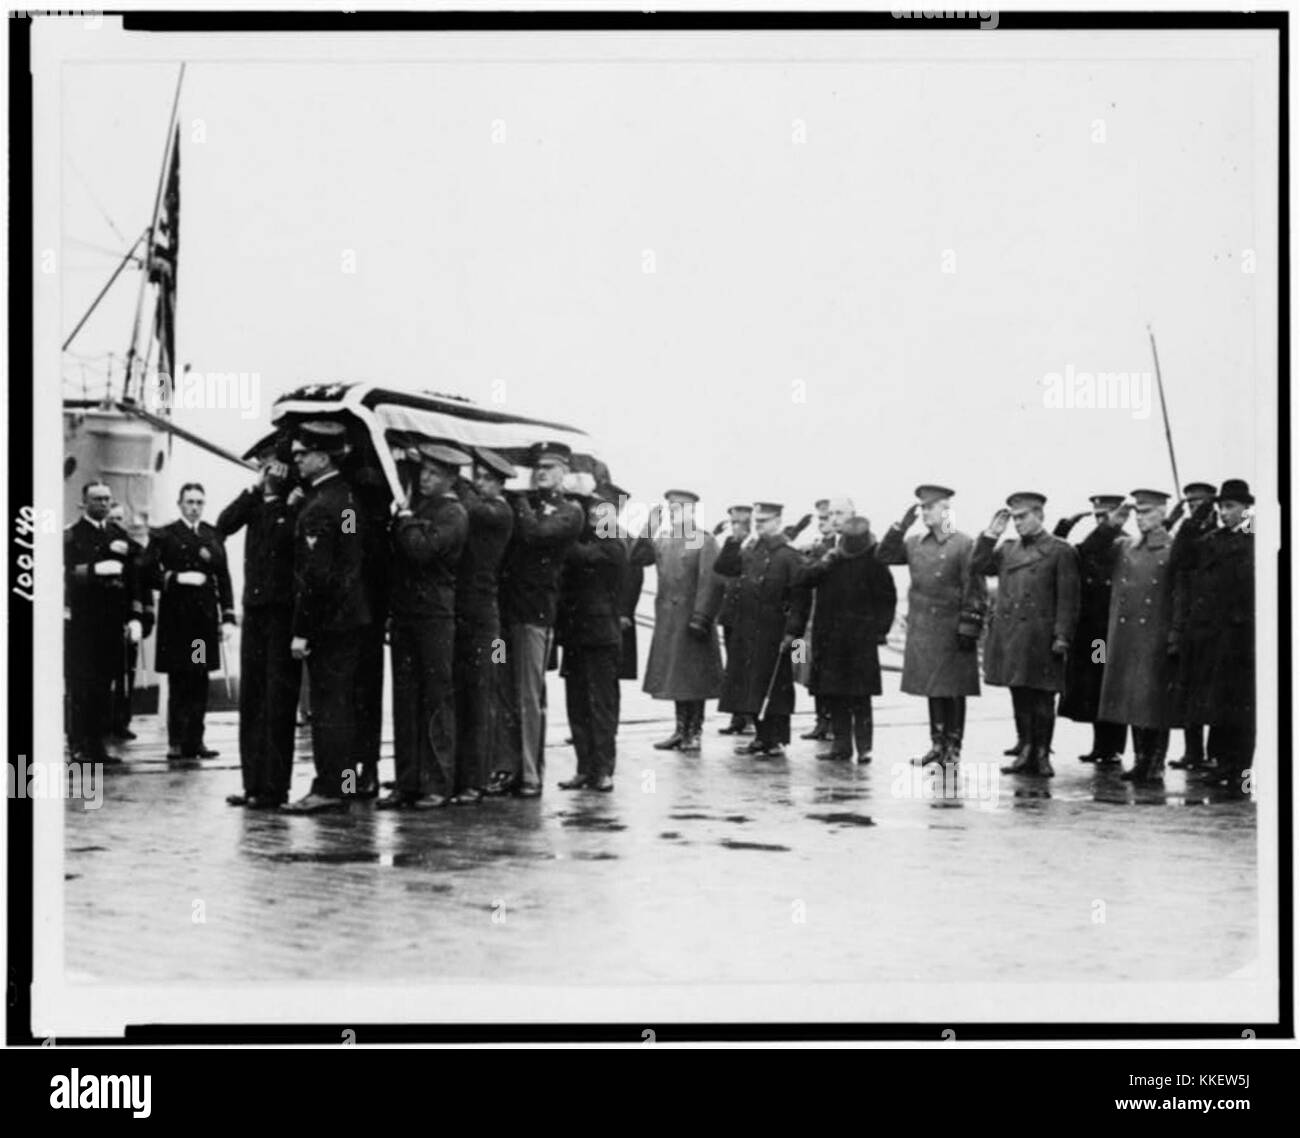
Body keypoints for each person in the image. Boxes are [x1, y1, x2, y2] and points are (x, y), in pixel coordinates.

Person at [282, 421, 372, 814]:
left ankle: (329, 787)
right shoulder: (348, 500)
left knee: (329, 708)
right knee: (345, 707)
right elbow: (352, 560)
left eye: (303, 453)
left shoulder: (319, 508)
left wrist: (302, 631)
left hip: (328, 624)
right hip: (352, 619)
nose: (296, 460)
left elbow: (315, 577)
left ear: (323, 456)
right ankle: (347, 783)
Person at [486, 441, 584, 798]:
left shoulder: (570, 512)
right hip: (504, 616)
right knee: (502, 689)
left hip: (534, 616)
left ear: (565, 474)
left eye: (550, 467)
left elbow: (536, 534)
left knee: (528, 694)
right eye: (538, 467)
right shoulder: (523, 506)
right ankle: (504, 768)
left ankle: (529, 773)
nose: (541, 472)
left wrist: (521, 501)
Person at [377, 442, 470, 810]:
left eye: (434, 473)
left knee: (435, 699)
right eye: (424, 472)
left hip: (435, 615)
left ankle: (437, 781)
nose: (426, 478)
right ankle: (408, 780)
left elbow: (419, 548)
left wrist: (404, 520)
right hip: (406, 613)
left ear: (450, 476)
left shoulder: (454, 513)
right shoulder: (422, 508)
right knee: (405, 699)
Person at [972, 491, 1080, 778]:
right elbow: (978, 566)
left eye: (1023, 517)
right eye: (1014, 518)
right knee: (1019, 692)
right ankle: (1026, 750)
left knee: (1043, 697)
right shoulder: (1008, 549)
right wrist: (990, 535)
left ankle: (1042, 754)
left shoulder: (1061, 550)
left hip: (1042, 635)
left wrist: (1062, 636)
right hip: (1012, 634)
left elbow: (1068, 599)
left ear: (1040, 516)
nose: (1017, 523)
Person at [876, 485, 985, 767]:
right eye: (922, 508)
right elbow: (884, 556)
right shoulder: (914, 543)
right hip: (924, 627)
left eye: (930, 507)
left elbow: (974, 586)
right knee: (932, 687)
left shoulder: (963, 543)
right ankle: (937, 744)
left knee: (954, 688)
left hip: (952, 627)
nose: (924, 512)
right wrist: (900, 526)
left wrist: (969, 625)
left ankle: (954, 747)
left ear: (946, 510)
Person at [216, 446, 301, 808]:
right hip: (256, 610)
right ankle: (253, 783)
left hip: (283, 613)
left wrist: (278, 500)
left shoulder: (294, 506)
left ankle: (273, 787)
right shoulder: (256, 502)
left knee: (277, 700)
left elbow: (281, 542)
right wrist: (255, 490)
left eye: (272, 465)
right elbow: (222, 524)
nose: (268, 470)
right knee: (252, 700)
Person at [1079, 492, 1178, 784]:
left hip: (1156, 632)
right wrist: (1110, 525)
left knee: (1154, 702)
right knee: (1132, 699)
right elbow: (1089, 553)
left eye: (1147, 512)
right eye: (1137, 512)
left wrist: (1175, 635)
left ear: (1162, 513)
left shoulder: (1173, 549)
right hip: (1126, 635)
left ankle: (1155, 761)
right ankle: (1140, 760)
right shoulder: (1125, 546)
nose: (1140, 517)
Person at [1171, 479, 1255, 792]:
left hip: (1243, 637)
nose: (1224, 513)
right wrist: (1193, 519)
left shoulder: (1258, 538)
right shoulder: (1211, 539)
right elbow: (1180, 559)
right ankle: (1221, 764)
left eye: (1230, 507)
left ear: (1247, 508)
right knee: (1218, 704)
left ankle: (1242, 771)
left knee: (1242, 708)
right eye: (1220, 507)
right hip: (1212, 636)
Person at [144, 483, 236, 760]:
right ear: (180, 503)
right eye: (190, 502)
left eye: (199, 502)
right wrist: (173, 578)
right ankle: (176, 741)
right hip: (177, 622)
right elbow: (146, 570)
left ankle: (195, 741)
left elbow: (223, 577)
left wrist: (228, 615)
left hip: (202, 624)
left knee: (198, 679)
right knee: (179, 679)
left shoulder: (211, 534)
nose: (194, 507)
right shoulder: (165, 535)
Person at [713, 502, 810, 759]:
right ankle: (761, 736)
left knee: (775, 687)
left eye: (765, 521)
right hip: (748, 629)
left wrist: (793, 634)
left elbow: (800, 598)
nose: (760, 526)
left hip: (775, 633)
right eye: (758, 522)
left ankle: (776, 739)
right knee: (750, 686)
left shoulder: (789, 556)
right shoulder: (750, 551)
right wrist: (733, 542)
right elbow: (723, 568)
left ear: (778, 521)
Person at [632, 489, 724, 755]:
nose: (674, 513)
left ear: (691, 511)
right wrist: (649, 527)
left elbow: (711, 580)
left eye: (679, 509)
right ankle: (680, 729)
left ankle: (694, 732)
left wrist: (702, 616)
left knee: (693, 678)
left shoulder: (700, 540)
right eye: (671, 509)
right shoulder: (664, 539)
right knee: (676, 678)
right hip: (669, 621)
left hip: (692, 619)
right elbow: (637, 558)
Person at [800, 515, 896, 763]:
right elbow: (804, 580)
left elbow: (887, 599)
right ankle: (842, 747)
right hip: (832, 638)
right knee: (836, 694)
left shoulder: (875, 561)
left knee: (859, 696)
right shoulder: (832, 558)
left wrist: (880, 631)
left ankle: (864, 747)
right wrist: (822, 564)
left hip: (860, 640)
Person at [449, 447, 515, 804]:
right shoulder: (481, 508)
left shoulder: (499, 512)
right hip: (468, 613)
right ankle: (464, 776)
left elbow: (472, 507)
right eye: (479, 477)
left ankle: (476, 778)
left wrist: (455, 476)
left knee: (480, 697)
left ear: (500, 484)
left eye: (487, 479)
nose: (480, 484)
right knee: (464, 696)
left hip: (485, 618)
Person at [65, 481, 146, 763]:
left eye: (107, 499)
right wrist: (93, 571)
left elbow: (135, 577)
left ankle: (97, 746)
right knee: (82, 685)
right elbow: (63, 575)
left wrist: (136, 616)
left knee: (105, 685)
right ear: (83, 502)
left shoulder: (119, 534)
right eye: (97, 499)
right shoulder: (72, 536)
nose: (102, 504)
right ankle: (79, 745)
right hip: (84, 623)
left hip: (112, 623)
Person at [556, 494, 629, 791]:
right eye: (593, 513)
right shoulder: (589, 542)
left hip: (601, 637)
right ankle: (585, 768)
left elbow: (584, 557)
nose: (597, 519)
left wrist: (565, 531)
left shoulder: (614, 545)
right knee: (578, 705)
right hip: (577, 635)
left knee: (601, 707)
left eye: (602, 514)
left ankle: (603, 770)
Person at [1055, 494, 1129, 766]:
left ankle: (1111, 747)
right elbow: (1068, 554)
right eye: (1097, 516)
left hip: (1106, 633)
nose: (1100, 521)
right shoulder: (1093, 543)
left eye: (1105, 516)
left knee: (1106, 685)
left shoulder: (1124, 542)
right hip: (1091, 631)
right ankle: (1102, 746)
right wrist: (1062, 529)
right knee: (1095, 687)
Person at [1166, 480, 1220, 770]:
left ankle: (1214, 754)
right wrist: (1181, 522)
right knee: (1189, 690)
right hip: (1189, 621)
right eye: (1190, 503)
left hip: (1218, 624)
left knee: (1215, 693)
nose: (1194, 508)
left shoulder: (1220, 533)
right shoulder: (1189, 532)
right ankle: (1193, 752)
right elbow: (1177, 561)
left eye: (1200, 502)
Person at [105, 500, 153, 742]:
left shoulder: (135, 551)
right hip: (103, 620)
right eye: (111, 519)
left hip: (128, 619)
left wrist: (145, 618)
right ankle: (99, 724)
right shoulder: (100, 547)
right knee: (101, 674)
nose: (115, 525)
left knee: (126, 672)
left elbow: (143, 587)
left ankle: (120, 721)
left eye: (118, 520)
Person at [713, 505, 756, 736]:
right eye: (733, 522)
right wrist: (731, 542)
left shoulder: (755, 545)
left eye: (739, 523)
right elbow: (721, 567)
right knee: (734, 667)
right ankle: (737, 716)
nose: (735, 527)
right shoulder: (734, 544)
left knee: (748, 667)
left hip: (750, 616)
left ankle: (748, 716)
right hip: (732, 616)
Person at [798, 498, 837, 742]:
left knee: (827, 672)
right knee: (807, 669)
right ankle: (821, 720)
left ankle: (831, 721)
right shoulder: (816, 545)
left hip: (829, 619)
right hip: (810, 620)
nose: (822, 523)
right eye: (820, 519)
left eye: (826, 518)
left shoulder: (838, 545)